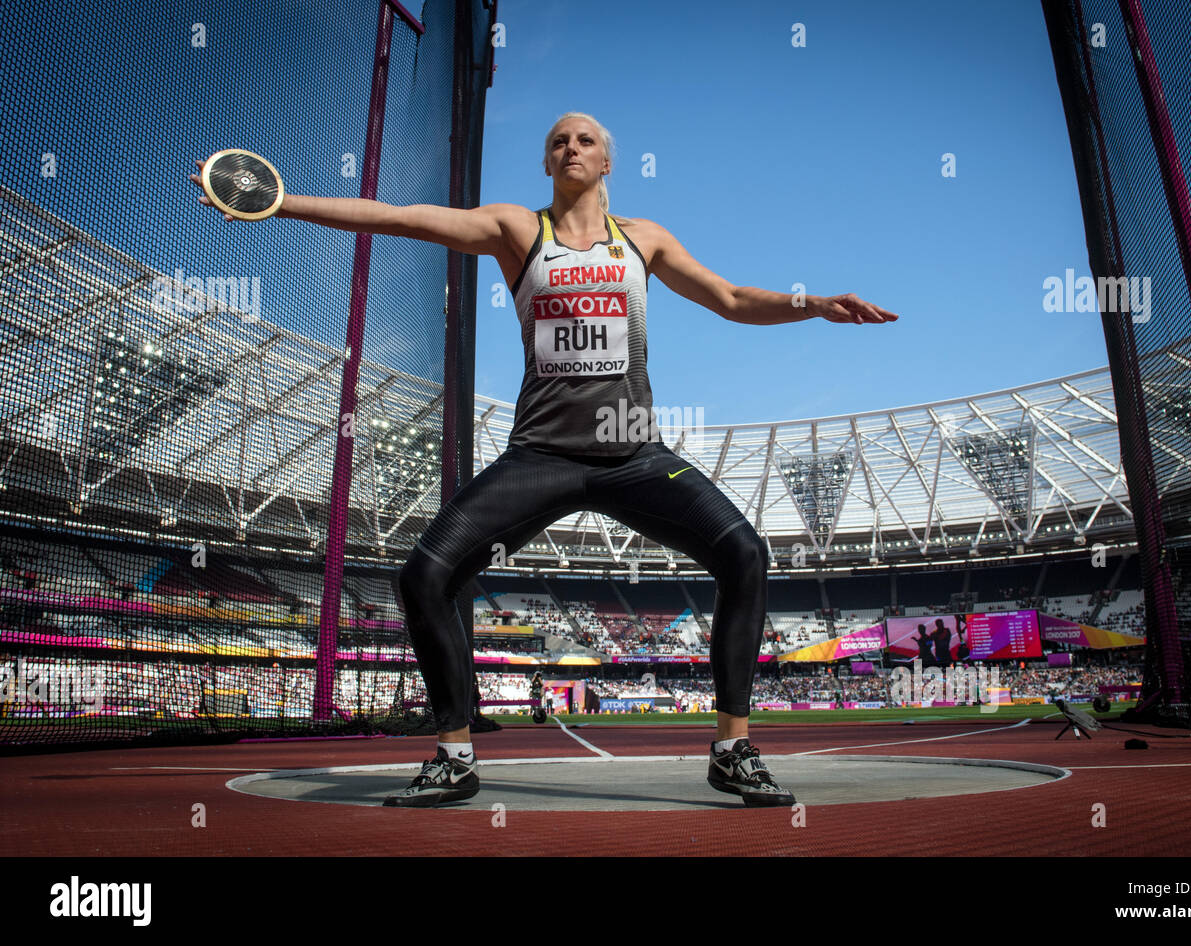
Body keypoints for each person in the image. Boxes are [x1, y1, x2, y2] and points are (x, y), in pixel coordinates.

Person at [191, 112, 897, 808]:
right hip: (541, 456)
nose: (570, 147)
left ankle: (732, 750)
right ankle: (455, 753)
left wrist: (813, 303)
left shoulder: (643, 242)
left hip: (634, 455)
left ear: (607, 161)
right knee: (425, 575)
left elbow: (733, 298)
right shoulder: (516, 230)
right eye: (557, 140)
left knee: (744, 552)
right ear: (546, 162)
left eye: (585, 139)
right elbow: (402, 217)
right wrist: (283, 203)